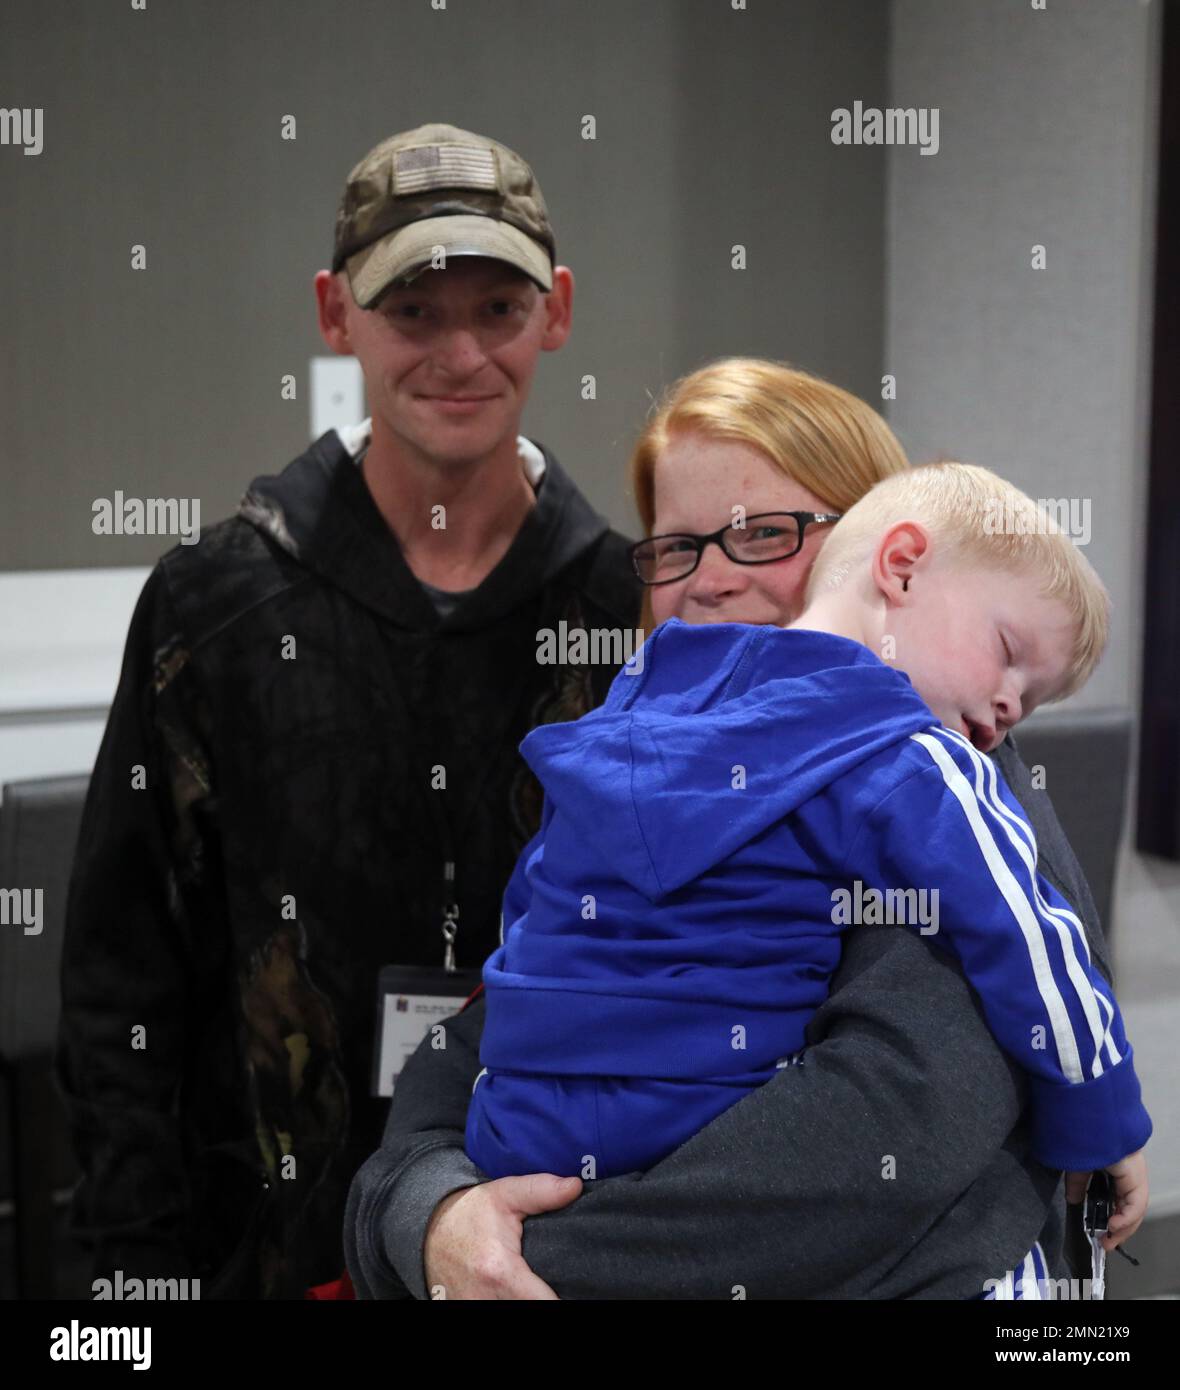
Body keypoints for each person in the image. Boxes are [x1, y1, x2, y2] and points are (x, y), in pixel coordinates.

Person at [345, 359, 1119, 1300]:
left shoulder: (936, 772)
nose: (710, 579)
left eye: (764, 533)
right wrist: (427, 1213)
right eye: (675, 548)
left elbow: (875, 1144)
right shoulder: (641, 747)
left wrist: (515, 1261)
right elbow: (491, 1025)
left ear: (888, 549)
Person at [55, 122, 641, 1298]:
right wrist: (130, 1279)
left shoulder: (634, 614)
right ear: (335, 315)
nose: (459, 352)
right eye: (411, 312)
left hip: (556, 1247)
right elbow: (123, 984)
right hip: (265, 1252)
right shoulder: (212, 603)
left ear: (559, 310)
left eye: (498, 308)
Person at [463, 463, 1151, 1250]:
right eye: (1009, 654)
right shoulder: (911, 755)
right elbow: (1032, 940)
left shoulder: (648, 692)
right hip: (705, 1135)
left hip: (514, 1132)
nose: (1006, 709)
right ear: (901, 567)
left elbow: (534, 893)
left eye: (1030, 700)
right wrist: (1103, 1119)